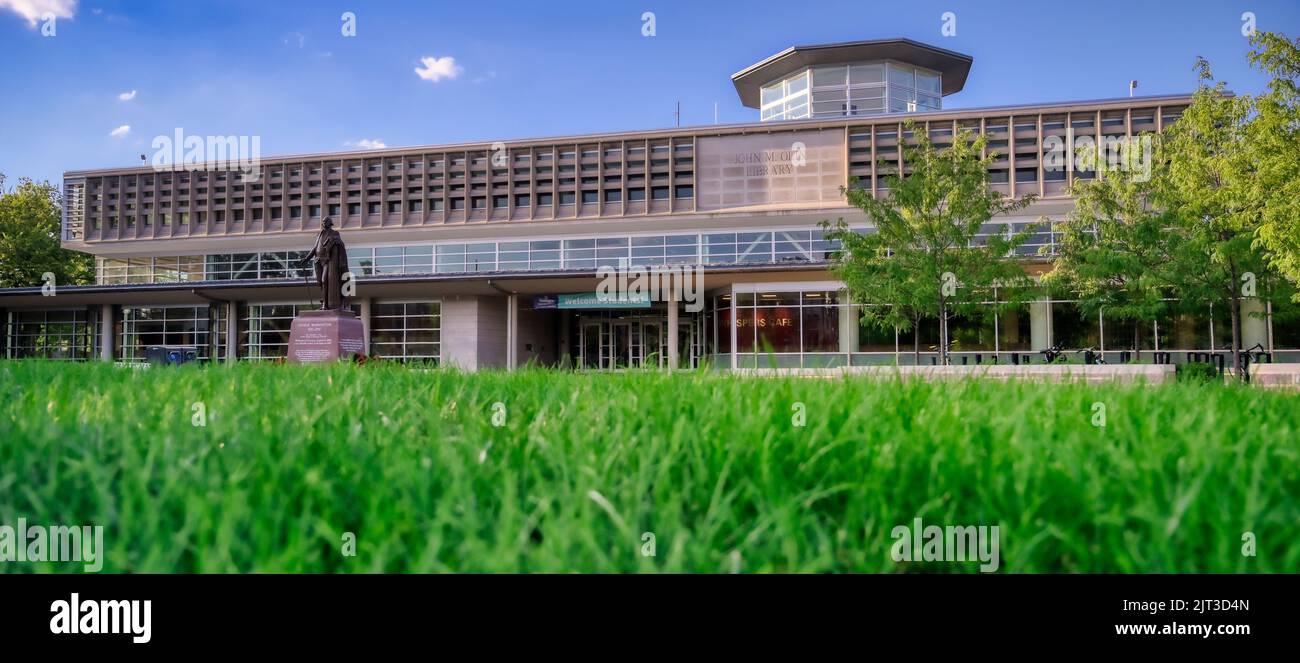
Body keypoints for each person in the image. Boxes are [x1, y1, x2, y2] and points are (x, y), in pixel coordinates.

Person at [299, 217, 350, 310]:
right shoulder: (320, 234)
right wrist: (306, 259)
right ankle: (324, 301)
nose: (323, 223)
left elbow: (339, 243)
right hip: (318, 261)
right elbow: (315, 248)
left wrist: (333, 240)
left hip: (327, 260)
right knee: (320, 282)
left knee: (324, 280)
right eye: (322, 222)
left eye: (325, 222)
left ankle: (325, 305)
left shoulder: (335, 233)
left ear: (330, 223)